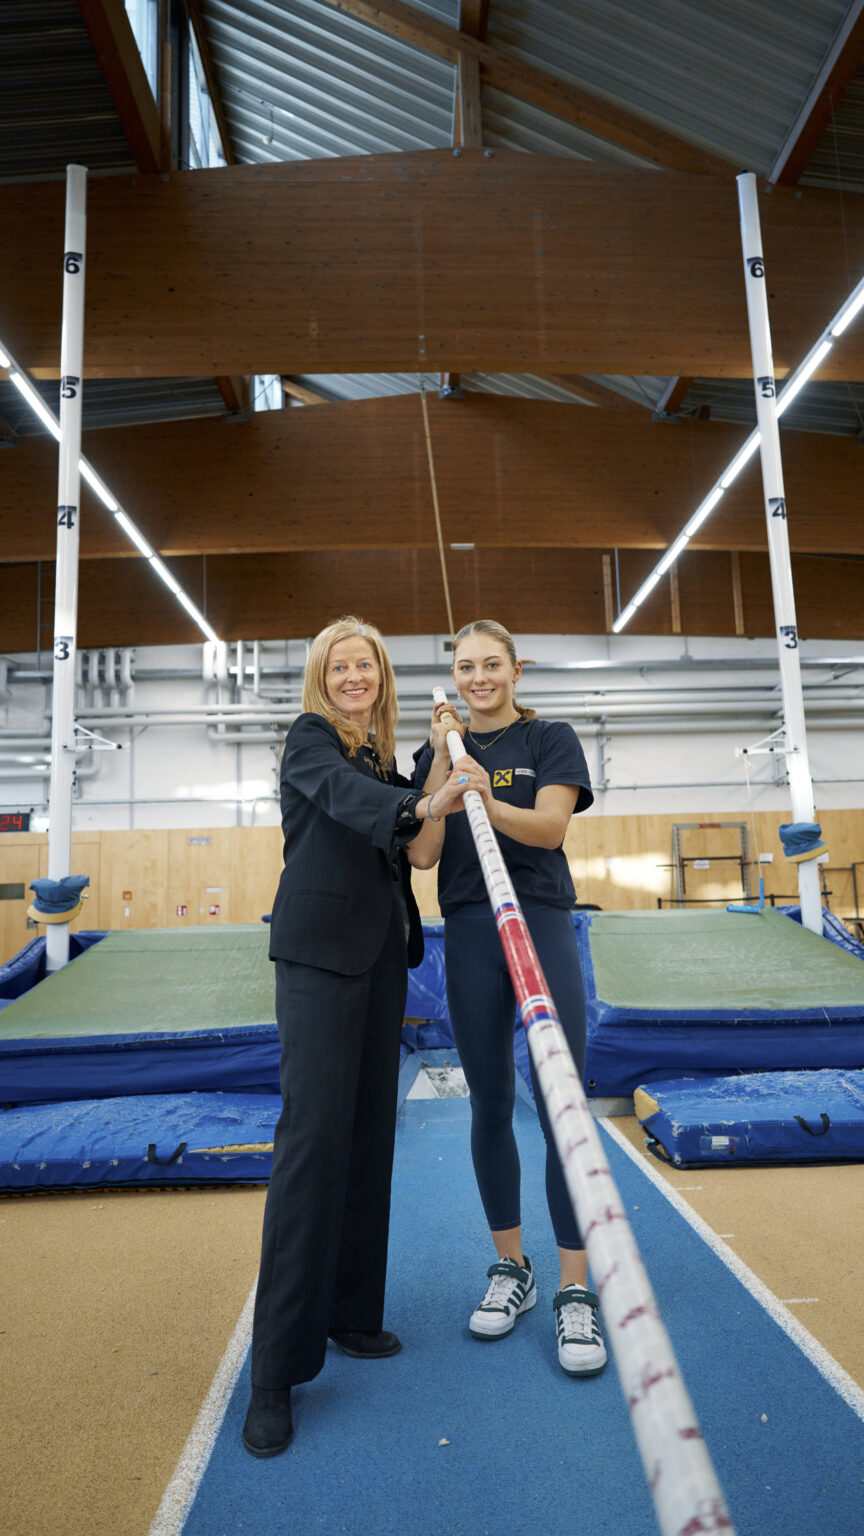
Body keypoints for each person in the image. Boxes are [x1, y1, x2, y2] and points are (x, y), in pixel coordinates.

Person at [243, 616, 488, 1458]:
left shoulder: (381, 759)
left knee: (366, 1140)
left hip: (382, 959)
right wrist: (422, 795)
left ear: (382, 676)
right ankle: (273, 1373)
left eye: (366, 666)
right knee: (312, 1146)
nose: (354, 677)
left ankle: (351, 1313)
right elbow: (357, 808)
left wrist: (441, 772)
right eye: (340, 666)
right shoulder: (308, 742)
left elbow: (418, 853)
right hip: (317, 961)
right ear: (322, 677)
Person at [410, 619, 606, 1378]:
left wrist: (484, 800)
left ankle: (573, 1288)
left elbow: (552, 830)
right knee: (489, 1102)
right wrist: (439, 771)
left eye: (492, 664)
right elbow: (423, 851)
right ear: (454, 675)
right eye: (466, 666)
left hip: (540, 922)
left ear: (515, 669)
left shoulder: (549, 739)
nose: (479, 677)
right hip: (467, 929)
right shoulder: (440, 750)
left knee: (562, 1100)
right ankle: (511, 1269)